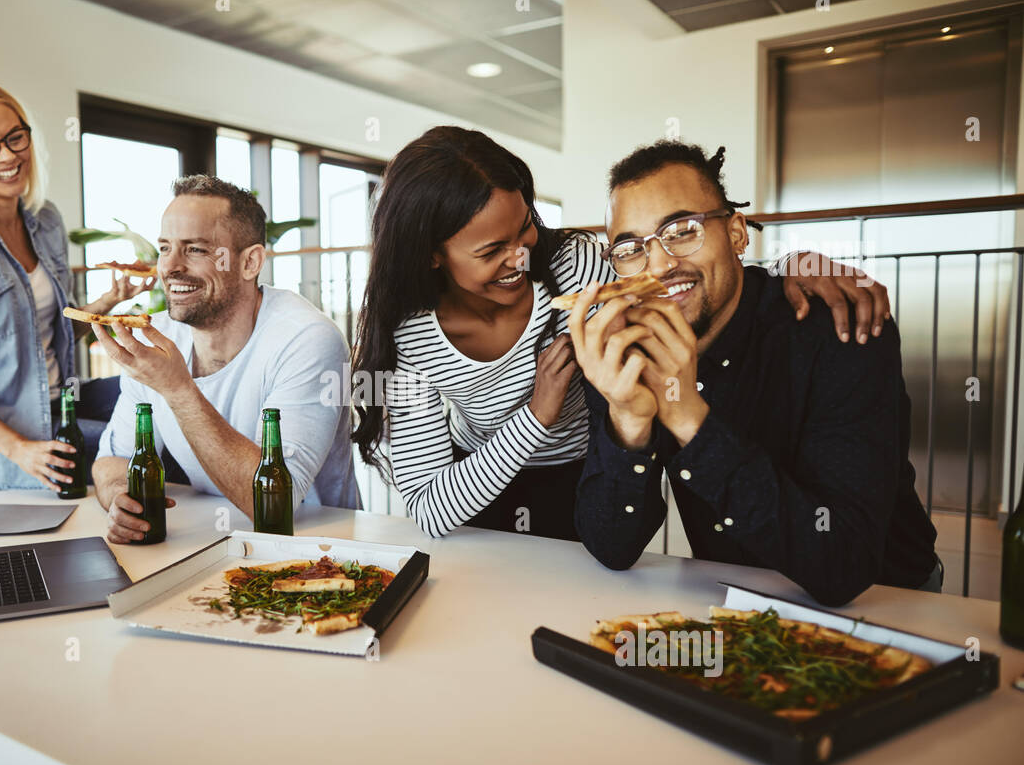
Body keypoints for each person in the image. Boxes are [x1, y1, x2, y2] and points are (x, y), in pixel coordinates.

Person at [350, 126, 892, 541]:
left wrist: (788, 264)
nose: (522, 257)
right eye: (492, 251)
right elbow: (428, 506)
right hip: (475, 493)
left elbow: (676, 278)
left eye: (525, 230)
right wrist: (536, 414)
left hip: (590, 474)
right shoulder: (409, 339)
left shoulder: (578, 266)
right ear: (432, 258)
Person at [569, 140, 939, 606]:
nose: (659, 264)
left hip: (892, 603)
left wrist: (688, 418)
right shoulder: (624, 353)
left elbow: (843, 564)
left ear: (738, 233)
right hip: (734, 606)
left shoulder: (838, 329)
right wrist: (627, 423)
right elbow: (611, 547)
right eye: (630, 247)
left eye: (682, 230)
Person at [0, 80, 154, 491]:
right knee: (150, 446)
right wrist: (19, 448)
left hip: (66, 402)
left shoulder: (45, 219)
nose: (8, 156)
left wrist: (112, 299)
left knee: (163, 392)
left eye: (14, 137)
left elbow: (53, 334)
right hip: (21, 439)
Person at [90, 175, 360, 544]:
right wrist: (120, 499)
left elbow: (275, 505)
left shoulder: (307, 339)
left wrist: (178, 389)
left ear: (250, 262)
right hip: (208, 540)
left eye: (196, 250)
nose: (170, 267)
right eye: (165, 248)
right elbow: (111, 461)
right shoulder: (161, 337)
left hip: (316, 549)